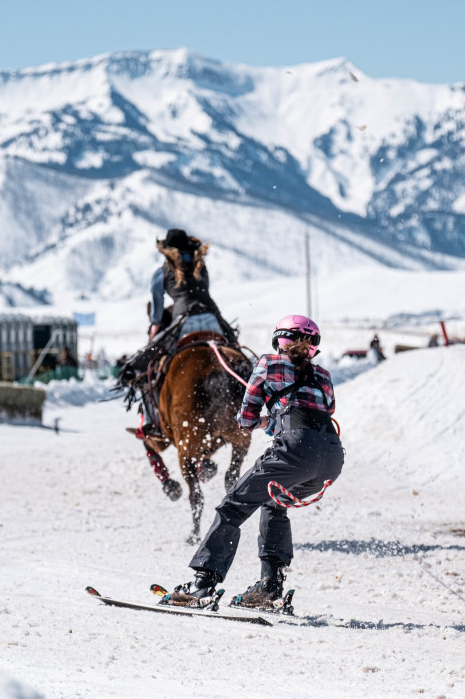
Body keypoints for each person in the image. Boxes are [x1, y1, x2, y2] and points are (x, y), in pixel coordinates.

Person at [166, 315, 343, 610]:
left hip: (294, 451)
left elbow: (245, 419)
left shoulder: (268, 363)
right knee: (275, 504)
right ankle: (269, 587)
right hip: (331, 458)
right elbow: (310, 412)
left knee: (232, 507)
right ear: (314, 347)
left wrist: (258, 421)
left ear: (279, 342)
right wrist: (272, 421)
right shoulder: (323, 375)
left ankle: (202, 585)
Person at [120, 229, 237, 436]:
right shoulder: (202, 266)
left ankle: (151, 422)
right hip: (213, 320)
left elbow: (157, 309)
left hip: (184, 322)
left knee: (148, 366)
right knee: (234, 352)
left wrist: (155, 329)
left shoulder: (162, 272)